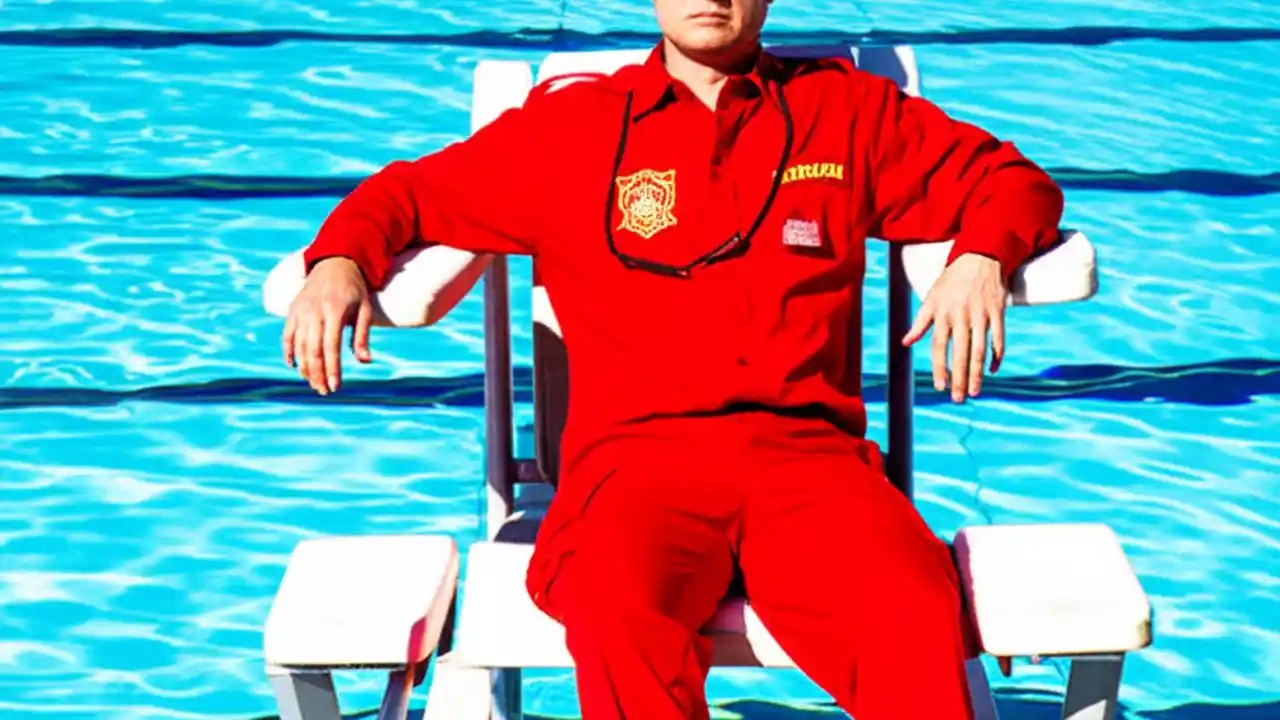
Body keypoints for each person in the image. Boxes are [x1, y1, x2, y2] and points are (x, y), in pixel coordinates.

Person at [283, 0, 1064, 717]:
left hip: (811, 463)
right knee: (617, 612)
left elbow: (1011, 180)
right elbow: (408, 196)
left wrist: (982, 259)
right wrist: (339, 262)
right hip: (635, 467)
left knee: (909, 613)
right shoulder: (575, 128)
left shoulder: (844, 111)